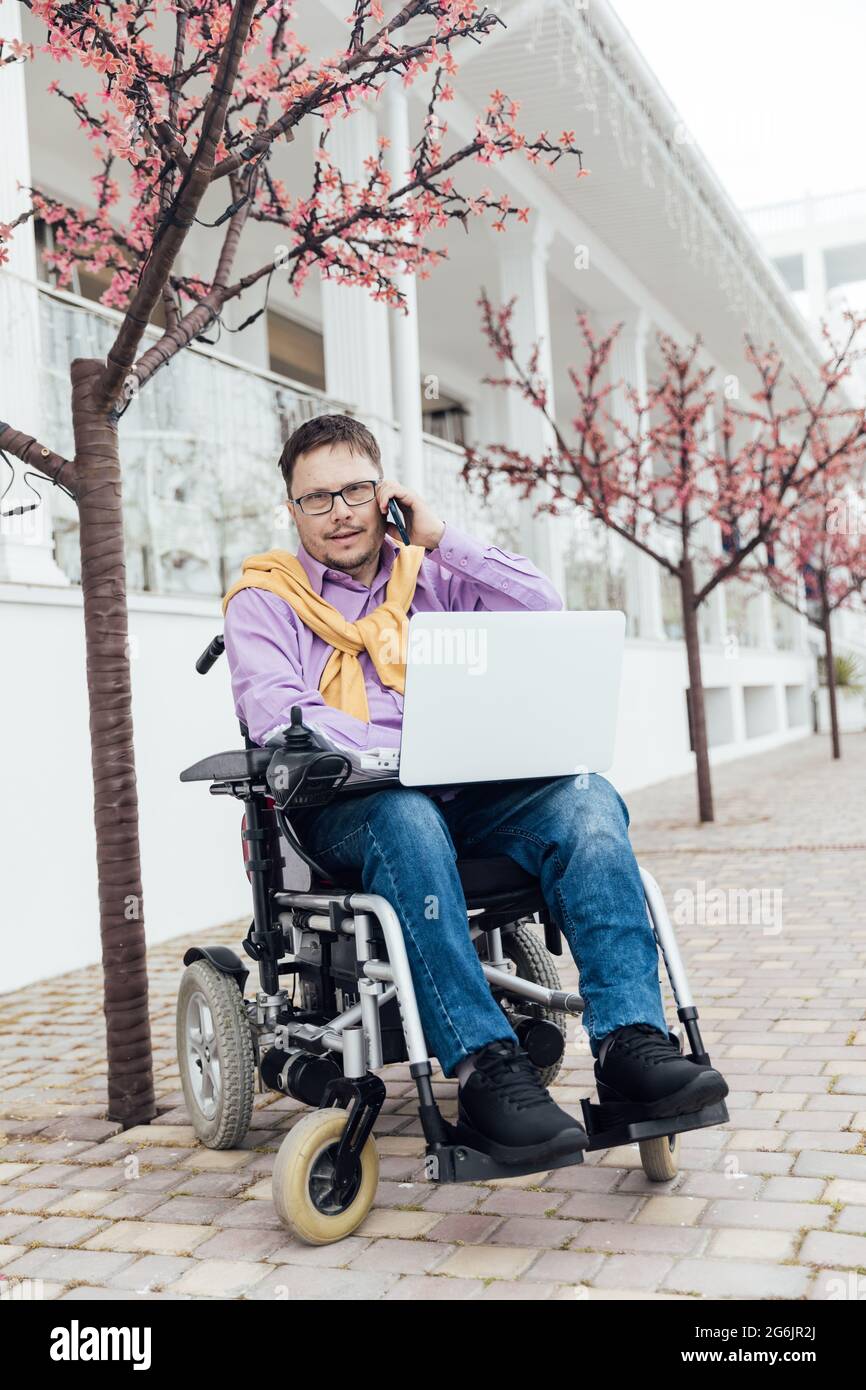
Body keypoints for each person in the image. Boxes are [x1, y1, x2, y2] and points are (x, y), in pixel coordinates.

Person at [222, 413, 728, 1162]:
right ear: (292, 510)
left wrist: (441, 536)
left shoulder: (432, 575)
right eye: (317, 499)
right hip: (347, 812)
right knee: (407, 813)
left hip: (473, 797)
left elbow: (543, 615)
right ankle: (487, 1069)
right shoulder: (266, 598)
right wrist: (409, 750)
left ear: (384, 493)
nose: (340, 513)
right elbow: (278, 713)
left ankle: (631, 1046)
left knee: (587, 799)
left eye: (356, 491)